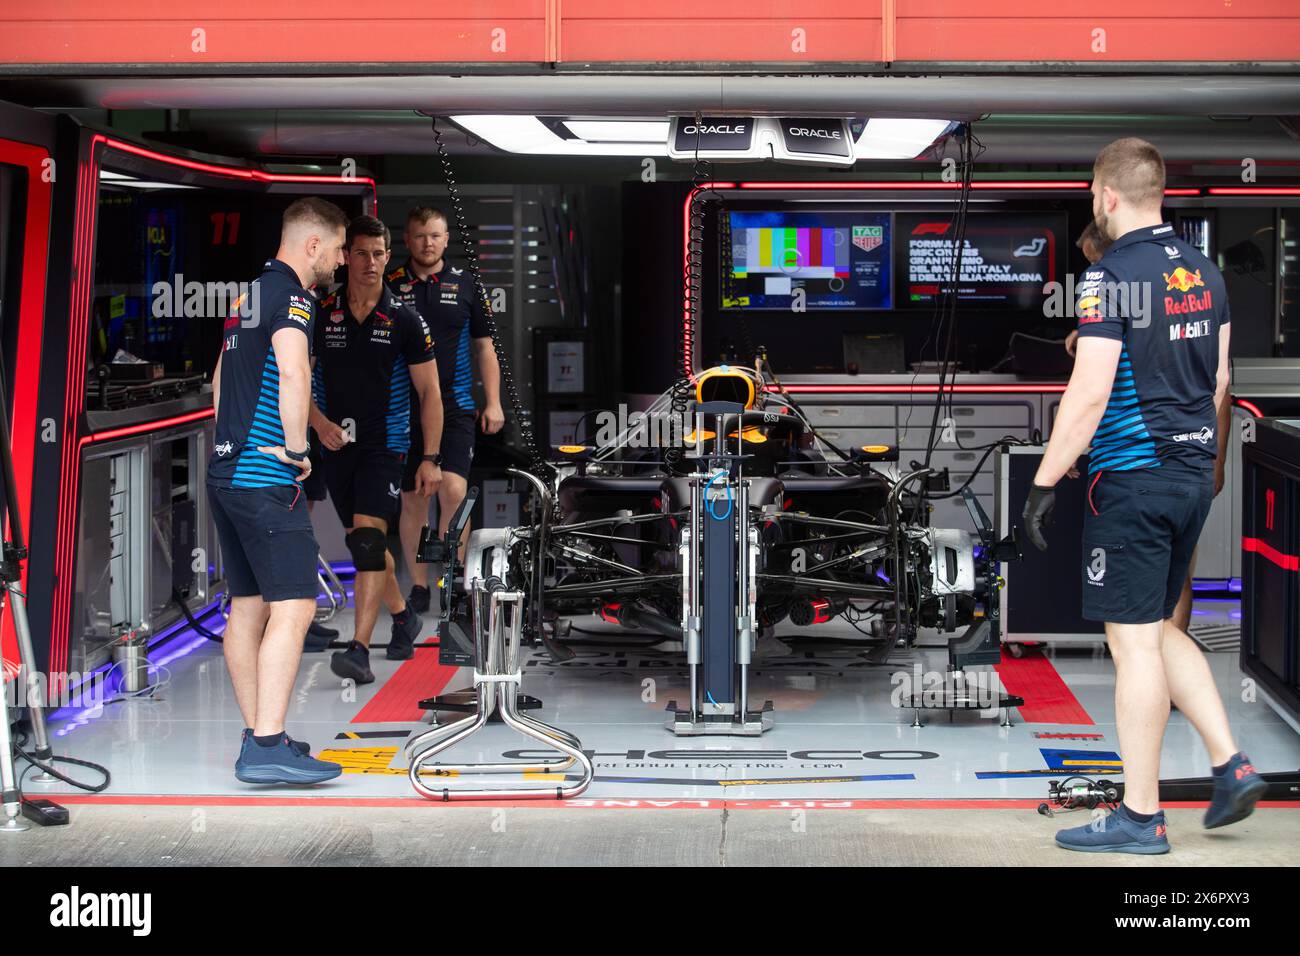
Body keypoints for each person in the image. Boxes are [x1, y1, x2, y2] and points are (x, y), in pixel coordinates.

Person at [1021, 138, 1265, 854]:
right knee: (1159, 628)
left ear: (1106, 196)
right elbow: (1219, 382)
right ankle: (1231, 762)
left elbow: (1090, 392)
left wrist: (1041, 485)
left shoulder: (1108, 277)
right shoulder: (1206, 272)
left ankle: (1139, 816)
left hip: (1132, 480)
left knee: (1130, 646)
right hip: (1191, 476)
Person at [207, 197, 348, 784]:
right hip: (266, 480)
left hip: (226, 474)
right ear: (312, 244)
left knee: (247, 607)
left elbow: (218, 379)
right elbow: (295, 370)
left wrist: (228, 446)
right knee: (295, 605)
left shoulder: (248, 295)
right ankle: (266, 745)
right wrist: (296, 450)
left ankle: (259, 736)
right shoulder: (293, 296)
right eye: (339, 249)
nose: (340, 263)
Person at [310, 215, 442, 685]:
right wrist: (319, 424)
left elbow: (430, 393)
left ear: (390, 257)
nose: (371, 263)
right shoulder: (320, 312)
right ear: (345, 257)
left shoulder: (406, 318)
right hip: (334, 444)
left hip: (386, 445)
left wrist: (430, 458)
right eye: (362, 253)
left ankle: (359, 649)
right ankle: (404, 616)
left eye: (379, 254)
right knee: (360, 544)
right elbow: (296, 379)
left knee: (368, 541)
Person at [386, 206, 505, 615]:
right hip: (402, 408)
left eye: (435, 235)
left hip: (456, 406)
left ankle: (453, 579)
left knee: (453, 490)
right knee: (414, 497)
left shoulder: (467, 284)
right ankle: (419, 585)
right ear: (407, 240)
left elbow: (486, 348)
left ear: (447, 238)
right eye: (419, 236)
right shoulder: (388, 284)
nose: (427, 243)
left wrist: (494, 402)